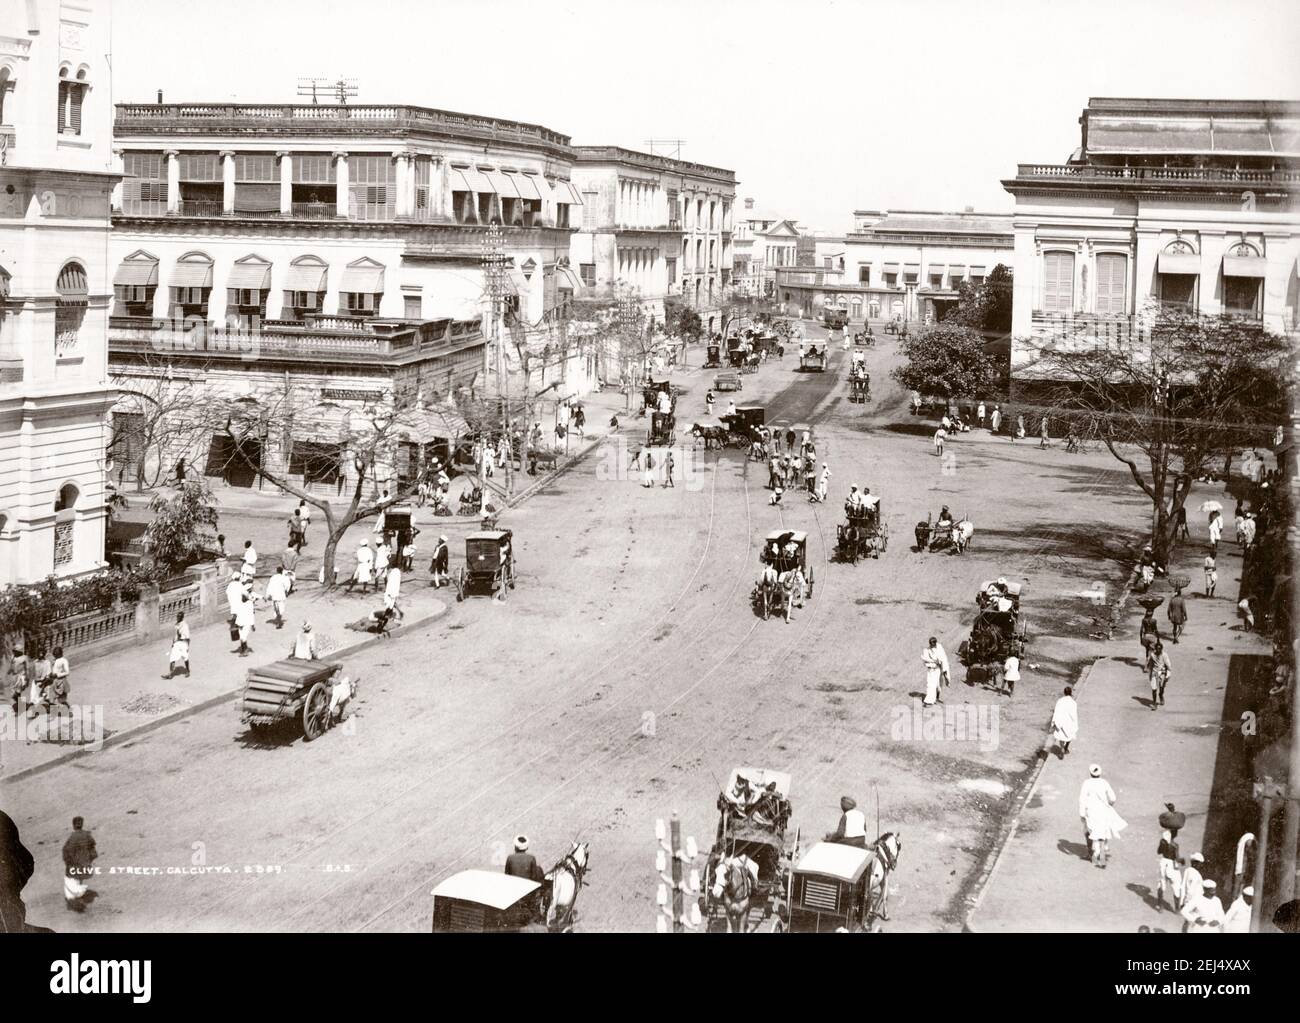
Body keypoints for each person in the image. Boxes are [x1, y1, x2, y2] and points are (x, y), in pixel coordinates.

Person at [1078, 764, 1126, 867]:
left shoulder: (1087, 783)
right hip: (1103, 811)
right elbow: (1113, 798)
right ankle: (1101, 856)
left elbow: (1082, 799)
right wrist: (1109, 805)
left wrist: (1082, 813)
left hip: (1091, 812)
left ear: (1090, 773)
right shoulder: (1104, 783)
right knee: (1102, 832)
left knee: (1088, 832)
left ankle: (1091, 853)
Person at [62, 817, 98, 913]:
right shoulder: (87, 835)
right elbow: (92, 848)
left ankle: (77, 902)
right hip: (85, 863)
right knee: (80, 880)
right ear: (82, 824)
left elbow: (66, 851)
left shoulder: (72, 837)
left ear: (73, 825)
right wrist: (90, 859)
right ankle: (79, 900)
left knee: (75, 880)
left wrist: (68, 862)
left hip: (75, 864)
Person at [1156, 827, 1182, 912]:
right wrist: (1182, 861)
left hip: (1163, 863)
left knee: (1161, 884)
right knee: (1176, 886)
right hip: (1172, 865)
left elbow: (1159, 852)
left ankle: (1160, 907)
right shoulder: (1175, 845)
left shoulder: (1163, 842)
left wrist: (1163, 844)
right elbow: (1177, 858)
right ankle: (1177, 909)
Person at [922, 636, 950, 707]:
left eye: (933, 644)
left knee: (939, 684)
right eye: (931, 644)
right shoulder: (926, 650)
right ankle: (929, 701)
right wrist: (933, 662)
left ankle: (936, 698)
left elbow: (943, 659)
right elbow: (925, 660)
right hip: (931, 670)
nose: (932, 646)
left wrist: (944, 671)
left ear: (935, 643)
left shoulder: (939, 648)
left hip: (938, 669)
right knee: (931, 685)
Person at [1051, 686, 1078, 755]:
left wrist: (1054, 722)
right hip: (1069, 722)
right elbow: (1074, 714)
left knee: (1061, 736)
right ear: (1071, 693)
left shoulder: (1060, 701)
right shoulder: (1073, 703)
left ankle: (1062, 747)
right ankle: (1066, 748)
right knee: (1070, 735)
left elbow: (1056, 711)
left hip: (1061, 721)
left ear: (1064, 692)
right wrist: (1075, 722)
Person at [264, 565, 290, 630]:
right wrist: (286, 591)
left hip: (275, 595)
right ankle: (279, 619)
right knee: (281, 608)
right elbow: (287, 585)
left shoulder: (273, 577)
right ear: (282, 571)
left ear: (277, 571)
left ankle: (278, 618)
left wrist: (268, 594)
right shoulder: (284, 578)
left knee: (276, 608)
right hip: (281, 595)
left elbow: (270, 586)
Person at [166, 613, 191, 679]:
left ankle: (188, 671)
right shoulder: (176, 625)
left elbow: (188, 637)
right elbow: (175, 635)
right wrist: (173, 643)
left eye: (179, 617)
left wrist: (188, 646)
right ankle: (170, 674)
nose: (177, 618)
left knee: (185, 657)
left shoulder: (185, 625)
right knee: (172, 657)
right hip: (177, 643)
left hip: (183, 642)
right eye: (177, 617)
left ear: (182, 618)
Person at [1148, 641, 1171, 709]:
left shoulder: (1164, 655)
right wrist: (1150, 674)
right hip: (1154, 673)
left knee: (1161, 688)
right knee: (1154, 689)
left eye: (1160, 649)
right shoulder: (1152, 655)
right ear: (1155, 648)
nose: (1158, 650)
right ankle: (1154, 704)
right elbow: (1151, 665)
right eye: (1157, 648)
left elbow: (1168, 665)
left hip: (1162, 673)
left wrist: (1168, 673)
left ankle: (1161, 695)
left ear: (1161, 649)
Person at [233, 590, 256, 657]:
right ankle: (244, 649)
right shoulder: (239, 603)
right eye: (242, 596)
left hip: (247, 623)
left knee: (243, 637)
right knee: (241, 637)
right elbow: (237, 613)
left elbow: (251, 615)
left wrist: (252, 625)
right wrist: (236, 622)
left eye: (244, 597)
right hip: (240, 623)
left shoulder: (249, 604)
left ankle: (244, 651)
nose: (243, 598)